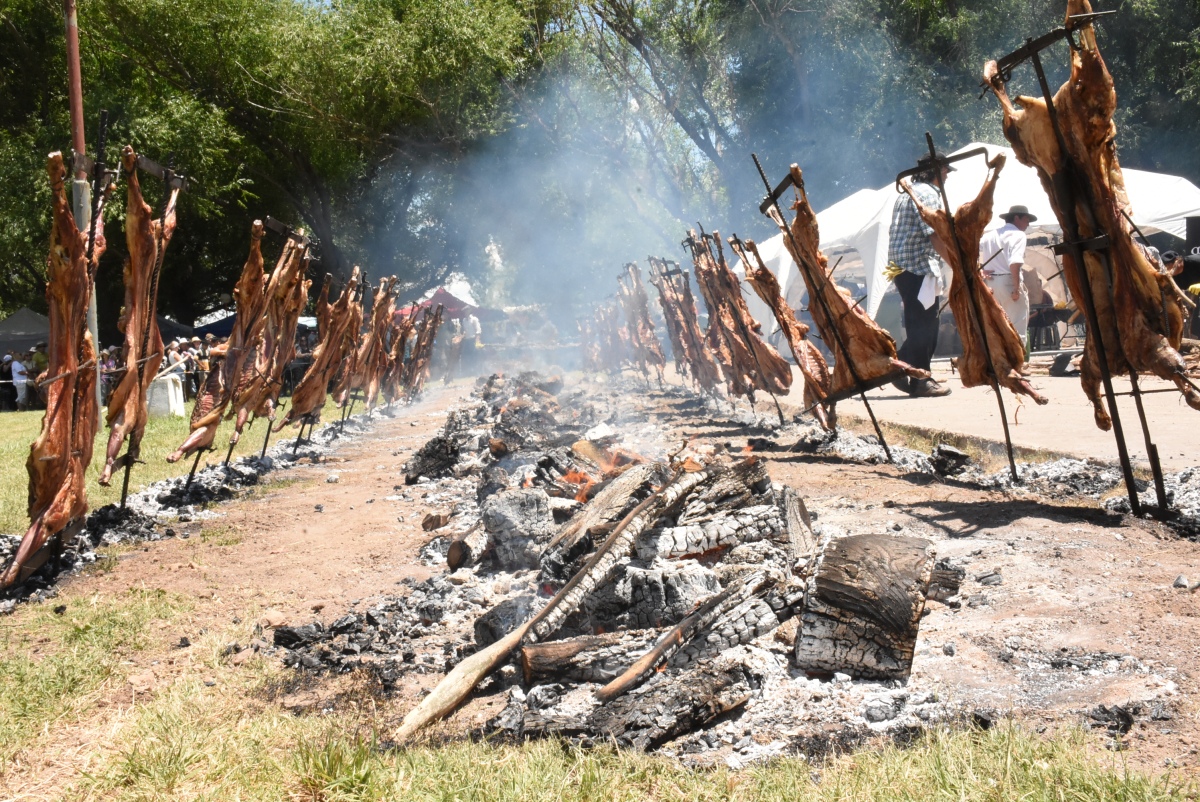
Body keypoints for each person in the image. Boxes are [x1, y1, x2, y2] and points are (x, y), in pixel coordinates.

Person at [887, 152, 954, 397]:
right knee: (926, 326)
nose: (947, 176)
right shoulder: (928, 193)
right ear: (938, 171)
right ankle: (917, 377)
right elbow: (934, 233)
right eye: (946, 171)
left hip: (900, 267)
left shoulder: (906, 194)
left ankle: (907, 372)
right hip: (918, 266)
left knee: (919, 323)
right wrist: (955, 263)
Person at [979, 205, 1035, 347]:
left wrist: (978, 269)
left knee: (997, 326)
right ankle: (1017, 362)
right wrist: (1016, 288)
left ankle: (1001, 361)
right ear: (1017, 218)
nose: (1028, 224)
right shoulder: (1018, 235)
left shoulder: (989, 235)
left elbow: (969, 250)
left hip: (991, 284)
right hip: (1008, 281)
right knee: (1017, 324)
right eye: (1026, 220)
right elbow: (1015, 263)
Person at [1162, 250, 1200, 338]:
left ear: (1177, 261)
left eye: (1169, 266)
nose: (1168, 269)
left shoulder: (1195, 261)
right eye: (1165, 267)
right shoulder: (1172, 277)